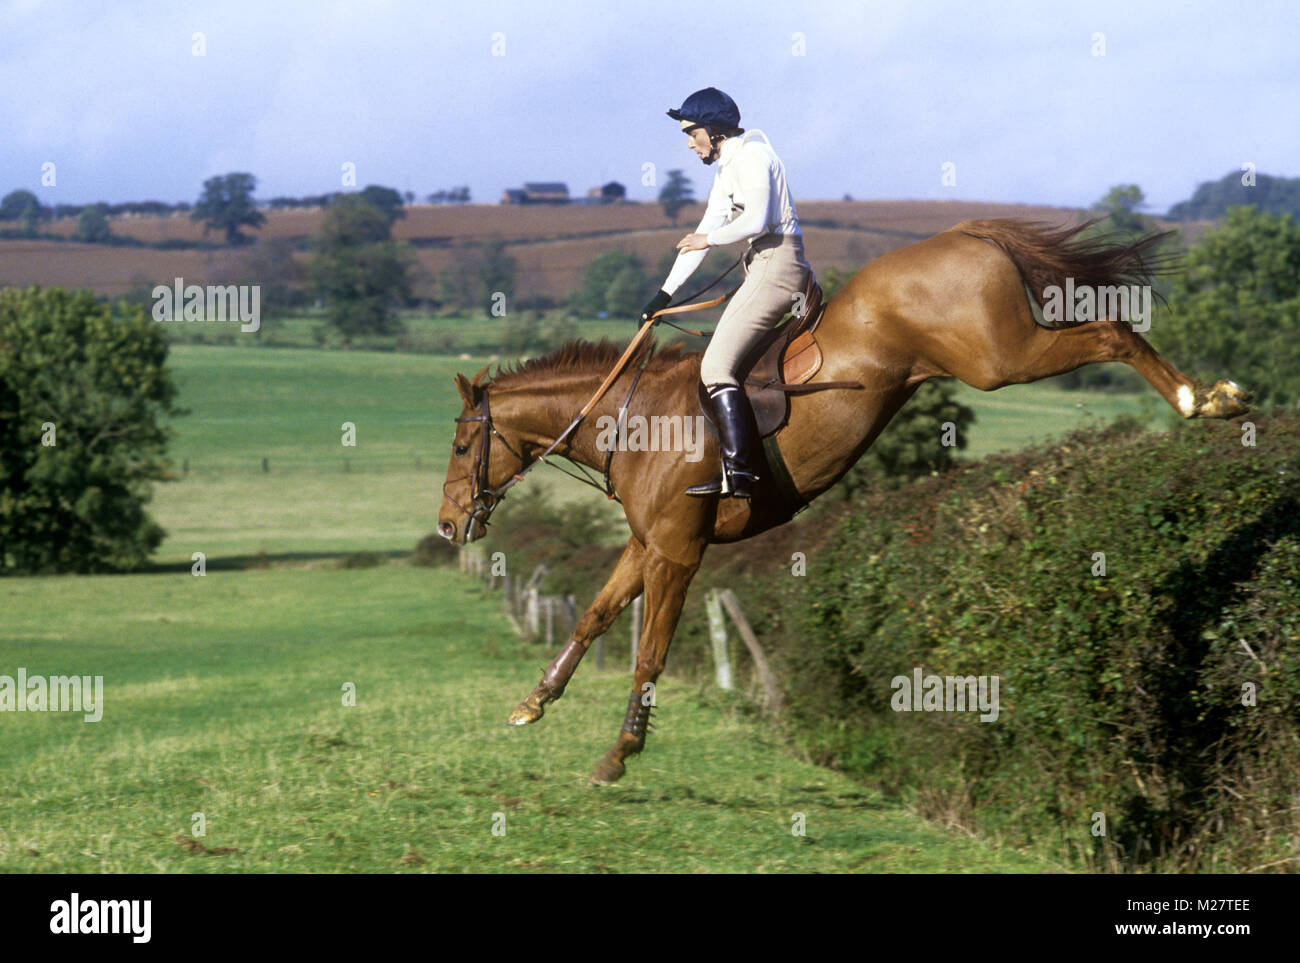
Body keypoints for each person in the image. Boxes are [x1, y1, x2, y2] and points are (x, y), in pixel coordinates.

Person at [641, 87, 811, 499]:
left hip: (778, 265)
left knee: (715, 368)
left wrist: (710, 240)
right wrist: (662, 297)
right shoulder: (727, 167)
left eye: (691, 133)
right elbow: (699, 235)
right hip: (763, 265)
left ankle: (741, 472)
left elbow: (757, 220)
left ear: (714, 131)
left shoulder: (753, 156)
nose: (688, 143)